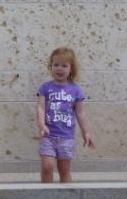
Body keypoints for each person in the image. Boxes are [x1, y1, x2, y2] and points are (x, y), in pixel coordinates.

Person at [36, 47, 95, 183]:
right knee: (47, 167)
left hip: (66, 138)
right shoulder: (45, 88)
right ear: (51, 67)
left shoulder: (76, 90)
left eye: (64, 65)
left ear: (71, 69)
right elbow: (40, 107)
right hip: (48, 136)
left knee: (64, 170)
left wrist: (86, 132)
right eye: (56, 65)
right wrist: (41, 125)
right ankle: (47, 197)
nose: (59, 68)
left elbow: (80, 113)